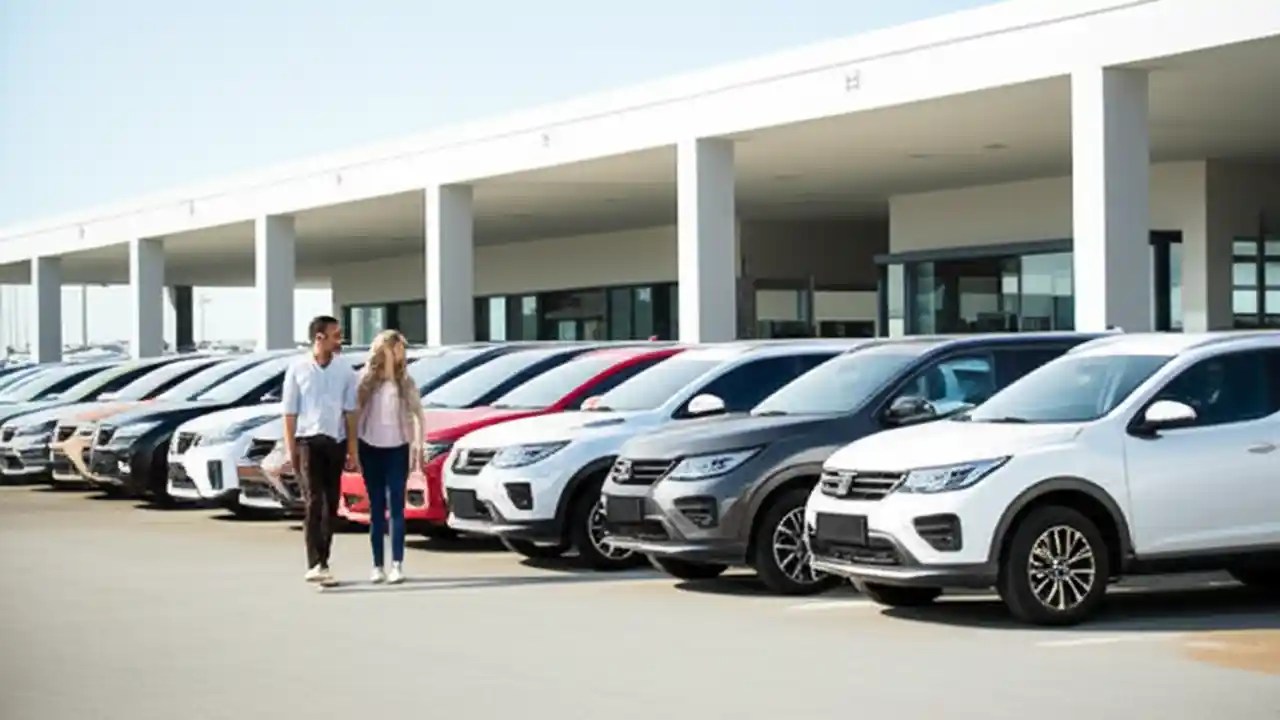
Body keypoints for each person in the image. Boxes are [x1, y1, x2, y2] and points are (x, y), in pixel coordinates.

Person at [282, 315, 360, 585]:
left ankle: (324, 559)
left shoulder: (345, 370)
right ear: (319, 337)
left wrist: (352, 448)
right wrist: (290, 449)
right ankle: (314, 562)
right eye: (335, 335)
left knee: (331, 502)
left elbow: (351, 411)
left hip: (335, 441)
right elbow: (289, 412)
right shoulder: (298, 369)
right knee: (314, 500)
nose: (340, 340)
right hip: (308, 441)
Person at [355, 330, 425, 584]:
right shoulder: (365, 380)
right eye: (394, 348)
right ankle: (377, 565)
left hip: (398, 447)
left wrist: (418, 445)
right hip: (370, 447)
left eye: (400, 350)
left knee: (396, 505)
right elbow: (355, 414)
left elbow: (418, 414)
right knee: (376, 508)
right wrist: (352, 448)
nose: (399, 353)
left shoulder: (405, 381)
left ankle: (397, 563)